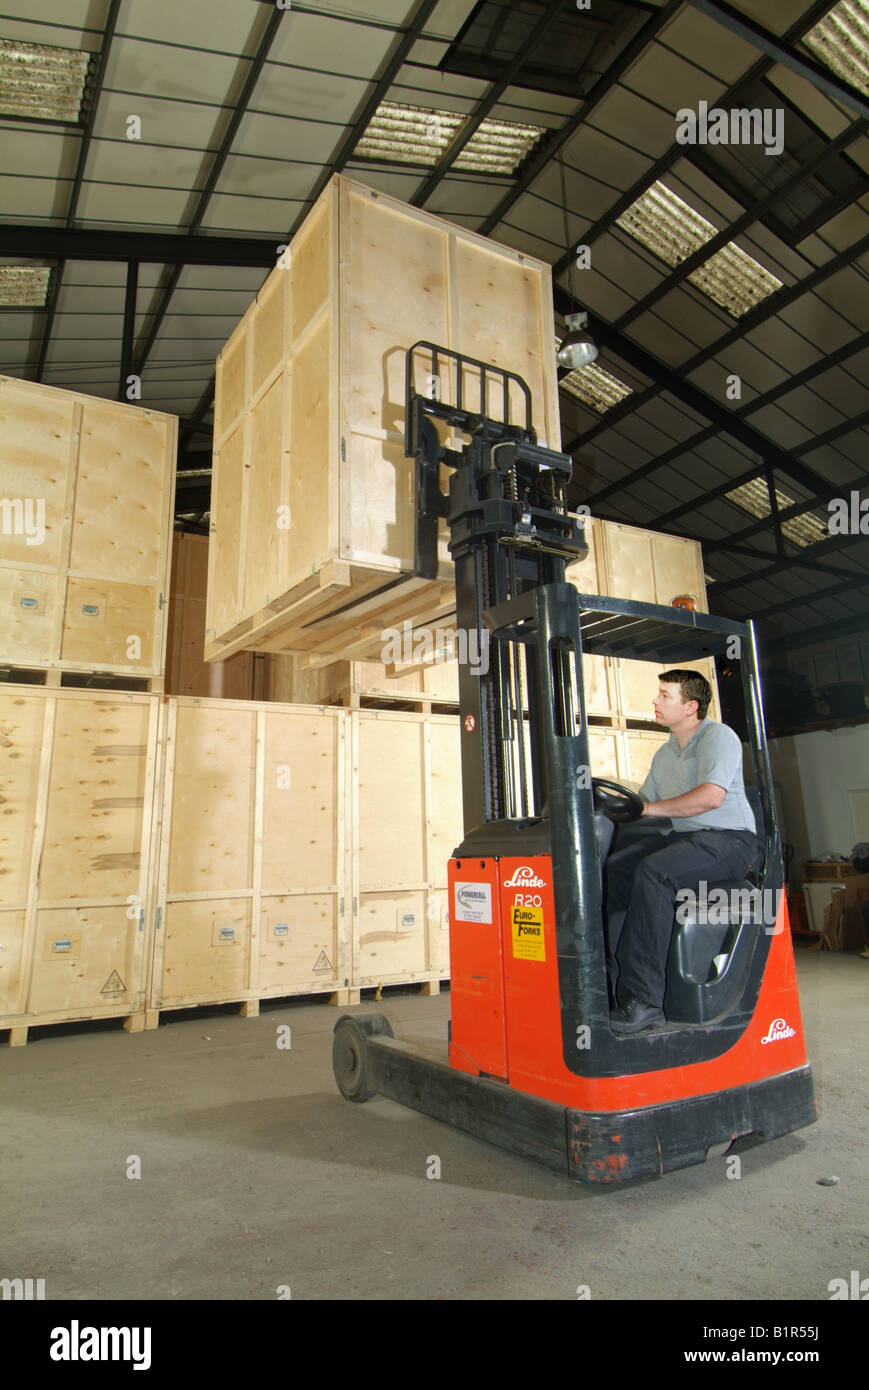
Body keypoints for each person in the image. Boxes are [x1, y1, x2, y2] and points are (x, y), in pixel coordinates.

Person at [605, 669, 758, 1035]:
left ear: (691, 706)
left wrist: (646, 810)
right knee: (612, 872)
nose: (655, 701)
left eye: (664, 695)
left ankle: (645, 1003)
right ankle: (609, 988)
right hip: (689, 839)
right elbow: (644, 803)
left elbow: (710, 797)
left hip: (731, 841)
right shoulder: (665, 752)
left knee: (657, 872)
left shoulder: (718, 737)